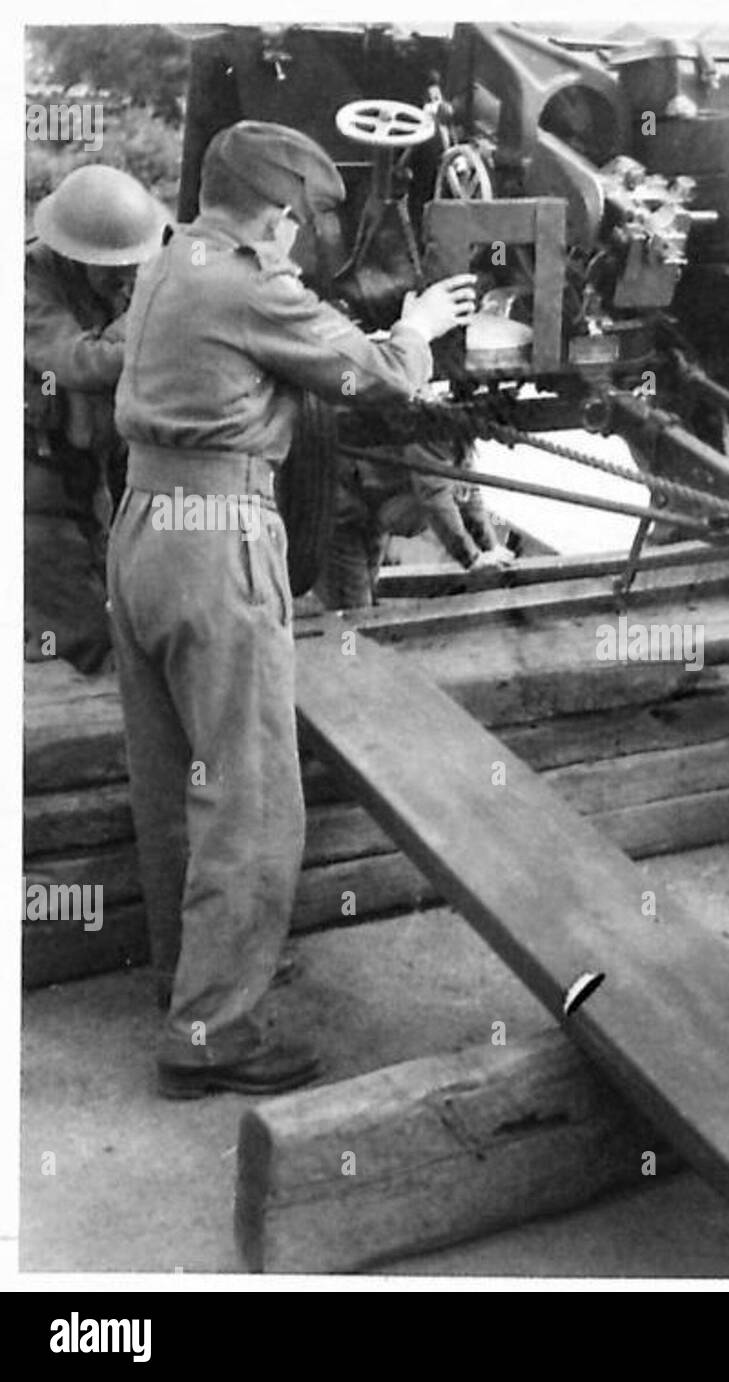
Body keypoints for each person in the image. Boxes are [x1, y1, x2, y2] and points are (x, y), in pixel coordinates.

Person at [108, 120, 477, 1098]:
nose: (301, 245)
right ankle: (211, 1034)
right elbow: (380, 378)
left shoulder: (169, 261)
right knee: (252, 792)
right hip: (216, 538)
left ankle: (184, 980)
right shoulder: (249, 282)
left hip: (144, 523)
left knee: (171, 774)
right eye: (301, 223)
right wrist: (418, 326)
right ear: (275, 212)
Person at [24, 165, 169, 673]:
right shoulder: (27, 283)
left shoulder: (135, 268)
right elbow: (81, 363)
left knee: (127, 614)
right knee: (75, 633)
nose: (126, 277)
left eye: (135, 265)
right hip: (36, 491)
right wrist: (152, 311)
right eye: (114, 268)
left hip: (103, 476)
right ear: (72, 252)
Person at [315, 432, 514, 611]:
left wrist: (491, 548)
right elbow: (435, 498)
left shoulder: (458, 439)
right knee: (353, 610)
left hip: (373, 511)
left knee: (367, 589)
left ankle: (355, 642)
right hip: (342, 513)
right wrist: (472, 559)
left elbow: (469, 492)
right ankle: (347, 650)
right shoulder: (436, 432)